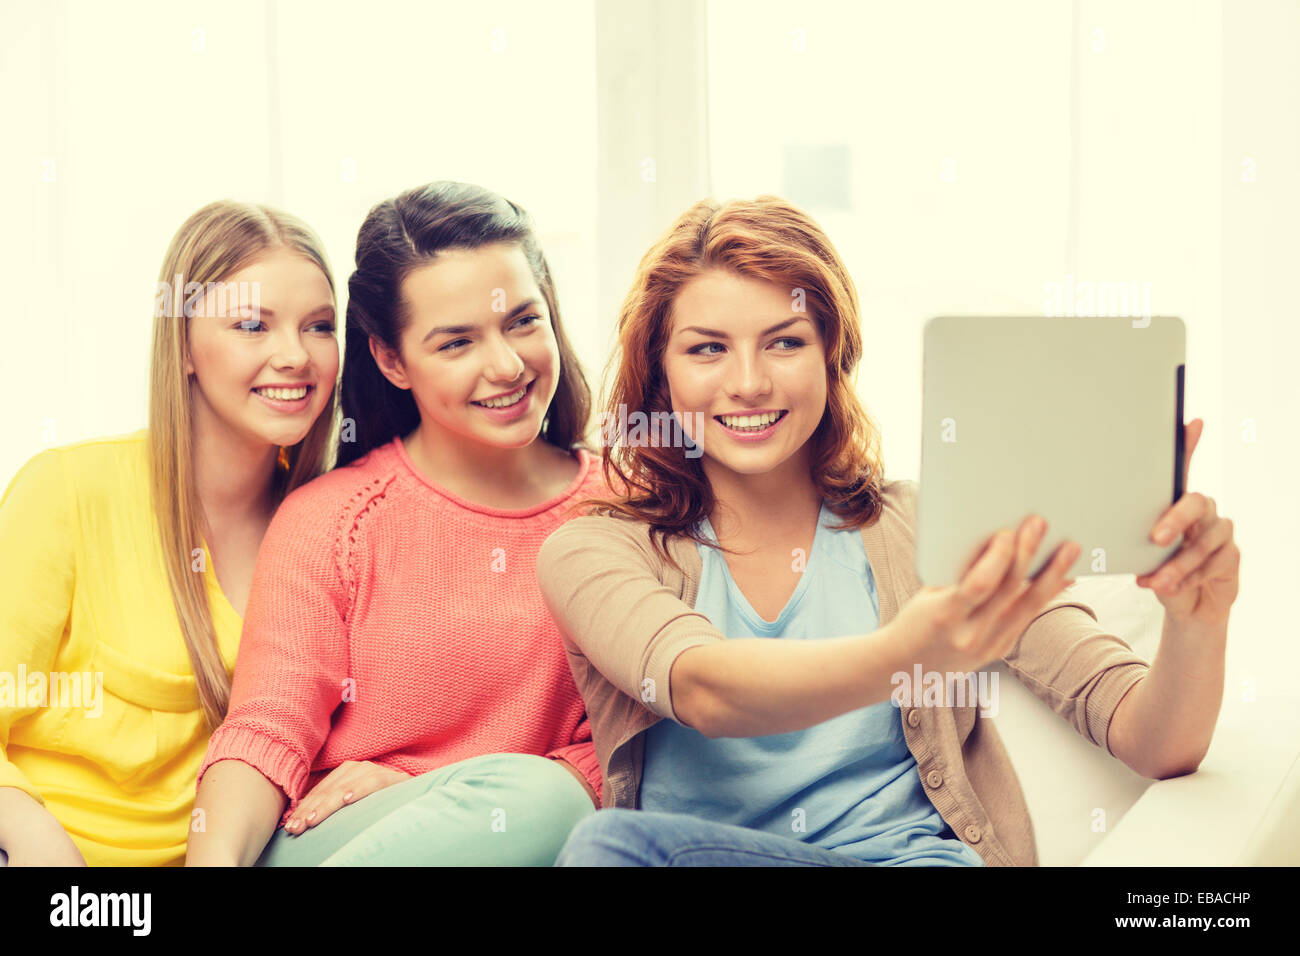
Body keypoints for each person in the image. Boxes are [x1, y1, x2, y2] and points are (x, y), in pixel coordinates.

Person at [538, 195, 1240, 867]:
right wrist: (908, 653)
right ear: (659, 376)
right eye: (707, 349)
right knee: (612, 853)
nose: (748, 382)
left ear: (832, 355)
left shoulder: (936, 529)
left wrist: (1197, 620)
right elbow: (702, 690)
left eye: (785, 341)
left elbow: (1154, 743)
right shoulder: (596, 551)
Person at [187, 182, 606, 867]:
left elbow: (639, 749)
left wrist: (431, 792)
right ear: (390, 360)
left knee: (549, 798)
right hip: (329, 840)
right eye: (456, 343)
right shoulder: (335, 519)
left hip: (533, 826)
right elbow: (267, 730)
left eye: (523, 321)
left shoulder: (625, 511)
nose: (505, 365)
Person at [0, 201, 340, 866]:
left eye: (320, 326)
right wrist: (34, 841)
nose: (295, 355)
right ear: (182, 345)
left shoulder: (331, 521)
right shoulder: (67, 490)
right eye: (252, 324)